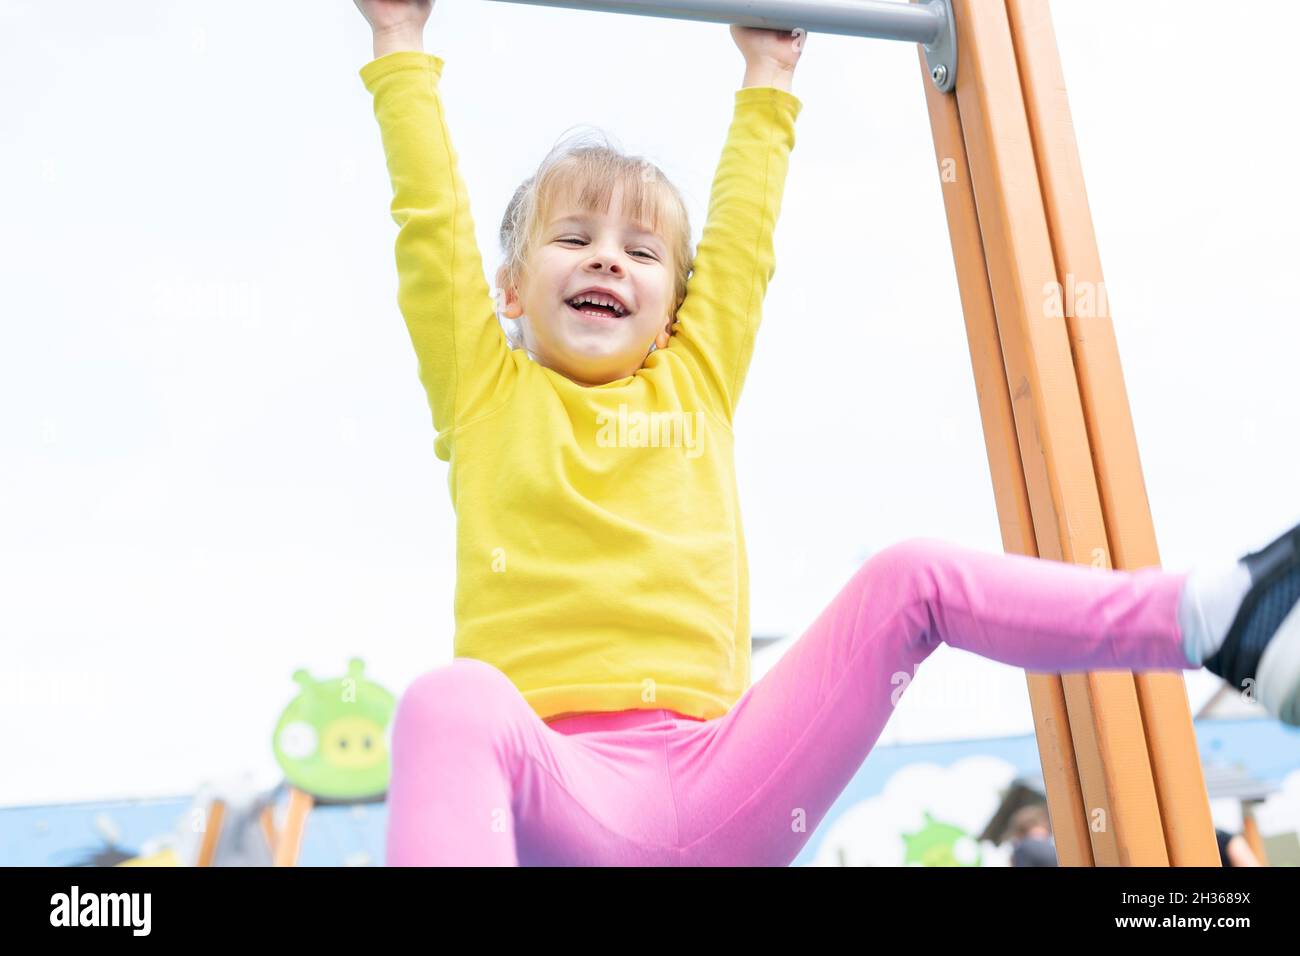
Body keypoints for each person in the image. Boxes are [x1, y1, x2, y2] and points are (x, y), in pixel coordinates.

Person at [350, 0, 1300, 865]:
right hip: (566, 796)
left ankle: (1221, 617)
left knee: (912, 575)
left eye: (641, 251)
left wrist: (770, 73)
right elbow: (428, 227)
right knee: (449, 700)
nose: (608, 255)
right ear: (510, 288)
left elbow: (742, 244)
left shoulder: (696, 376)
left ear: (676, 309)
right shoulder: (484, 390)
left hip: (729, 782)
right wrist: (399, 41)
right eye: (574, 238)